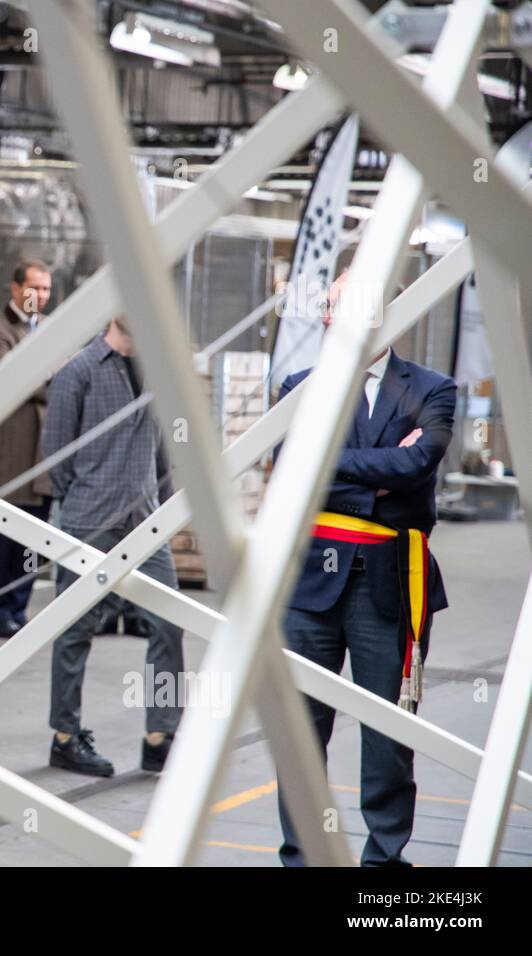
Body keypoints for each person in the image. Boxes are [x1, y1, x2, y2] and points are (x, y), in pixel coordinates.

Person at [275, 272, 455, 866]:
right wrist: (379, 474)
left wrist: (333, 466)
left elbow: (419, 464)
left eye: (339, 305)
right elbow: (292, 470)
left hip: (390, 580)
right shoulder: (301, 387)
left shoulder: (434, 390)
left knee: (387, 737)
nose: (327, 315)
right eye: (326, 305)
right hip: (310, 584)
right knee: (300, 733)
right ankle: (303, 856)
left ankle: (383, 863)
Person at [41, 316, 184, 777]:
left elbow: (162, 449)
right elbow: (56, 454)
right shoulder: (78, 371)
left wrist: (157, 502)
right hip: (90, 520)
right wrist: (86, 499)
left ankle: (160, 737)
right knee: (76, 630)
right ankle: (65, 737)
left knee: (169, 625)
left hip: (145, 521)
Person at [0, 259, 54, 638]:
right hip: (10, 452)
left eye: (45, 289)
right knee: (4, 537)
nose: (39, 296)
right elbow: (13, 379)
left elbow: (56, 376)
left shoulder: (52, 328)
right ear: (15, 288)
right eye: (33, 288)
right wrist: (52, 375)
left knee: (34, 538)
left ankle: (19, 609)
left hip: (43, 453)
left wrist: (46, 375)